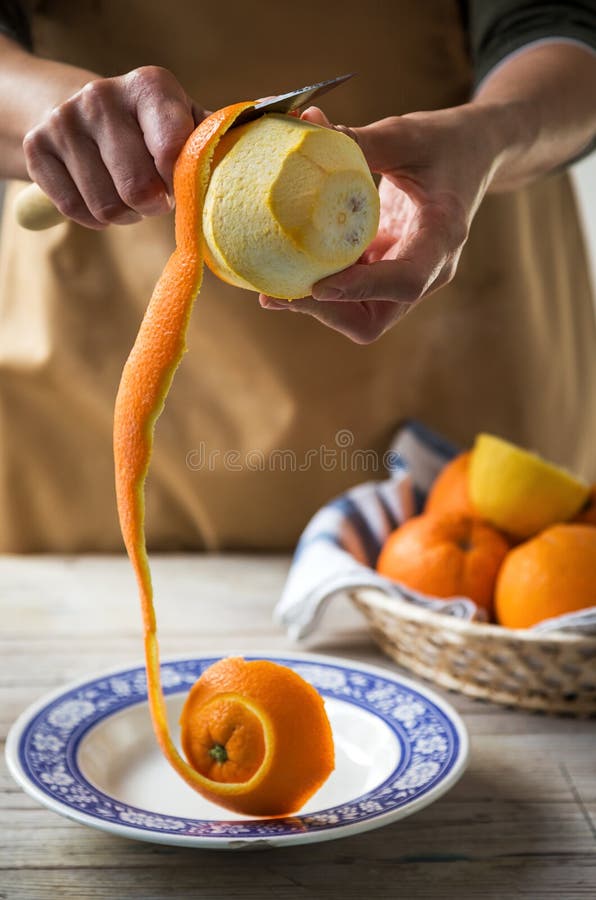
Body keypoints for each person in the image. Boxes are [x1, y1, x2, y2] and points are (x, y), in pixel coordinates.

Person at [0, 0, 594, 553]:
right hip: (97, 337)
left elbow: (561, 22)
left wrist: (490, 134)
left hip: (441, 250)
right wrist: (54, 118)